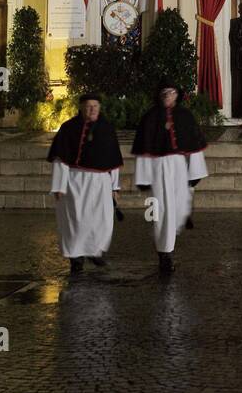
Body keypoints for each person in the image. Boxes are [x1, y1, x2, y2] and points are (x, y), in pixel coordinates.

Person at [132, 79, 208, 275]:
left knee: (179, 208)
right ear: (159, 95)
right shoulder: (150, 117)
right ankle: (165, 254)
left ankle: (168, 244)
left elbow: (194, 147)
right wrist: (143, 177)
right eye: (164, 92)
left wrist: (195, 174)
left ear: (177, 94)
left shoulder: (185, 116)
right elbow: (144, 150)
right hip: (158, 168)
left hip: (179, 167)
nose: (168, 96)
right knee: (162, 210)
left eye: (171, 92)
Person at [47, 93, 123, 275]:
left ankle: (95, 251)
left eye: (95, 106)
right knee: (76, 221)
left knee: (101, 220)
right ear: (81, 107)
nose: (92, 109)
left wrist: (115, 187)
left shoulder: (107, 128)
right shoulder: (68, 128)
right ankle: (76, 258)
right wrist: (59, 185)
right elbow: (61, 159)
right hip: (75, 182)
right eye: (89, 106)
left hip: (101, 183)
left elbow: (113, 160)